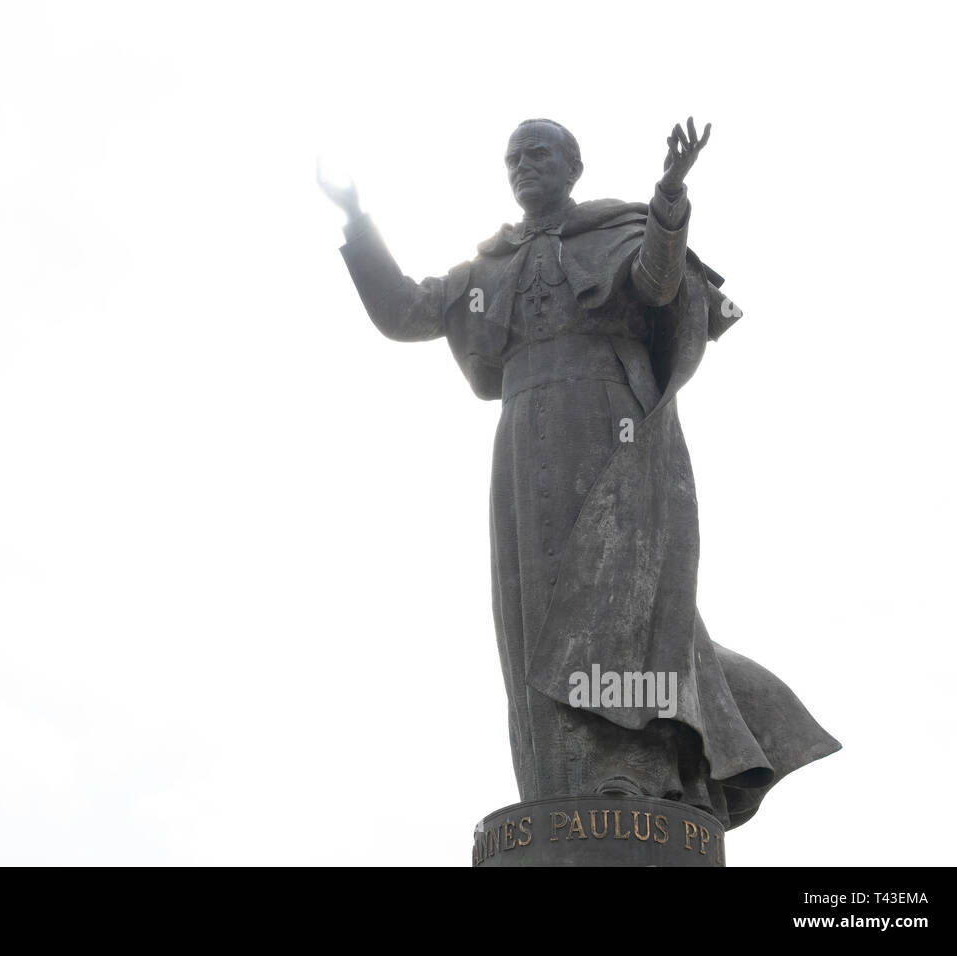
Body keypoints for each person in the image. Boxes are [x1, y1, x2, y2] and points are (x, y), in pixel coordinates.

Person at [320, 117, 839, 828]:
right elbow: (406, 312)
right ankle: (560, 784)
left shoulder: (614, 231)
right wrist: (357, 218)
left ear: (572, 166)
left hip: (609, 425)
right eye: (513, 157)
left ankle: (640, 768)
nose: (523, 165)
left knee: (619, 599)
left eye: (538, 154)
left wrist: (669, 196)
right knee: (534, 615)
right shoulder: (488, 265)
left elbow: (657, 283)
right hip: (522, 436)